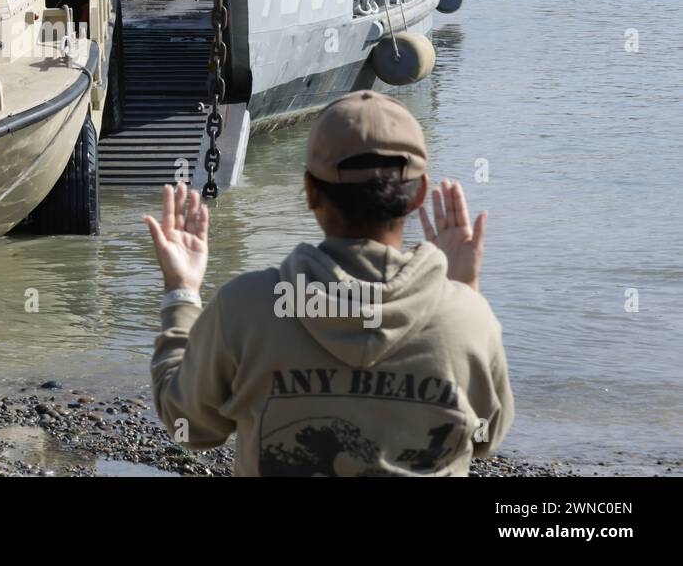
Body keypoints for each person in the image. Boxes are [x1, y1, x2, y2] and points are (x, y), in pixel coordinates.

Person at [145, 90, 513, 477]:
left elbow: (190, 424)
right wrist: (465, 290)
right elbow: (487, 436)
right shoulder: (468, 318)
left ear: (310, 190)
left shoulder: (245, 308)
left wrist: (181, 293)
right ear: (418, 194)